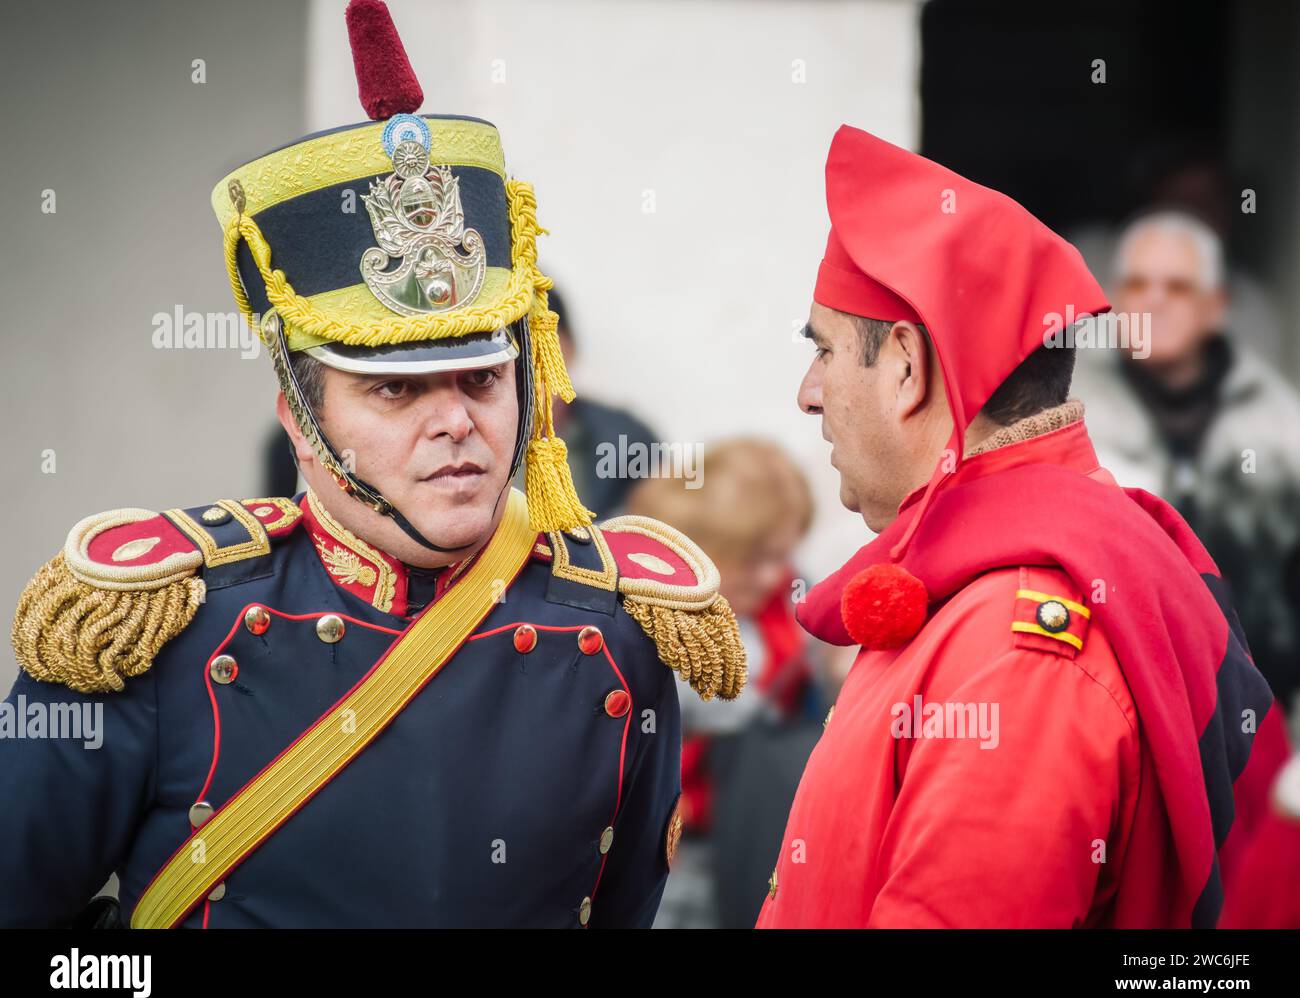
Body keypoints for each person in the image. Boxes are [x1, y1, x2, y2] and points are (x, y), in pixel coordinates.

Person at [0, 0, 744, 929]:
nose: (456, 424)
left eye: (482, 379)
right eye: (394, 392)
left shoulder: (622, 629)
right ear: (301, 421)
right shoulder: (146, 629)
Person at [755, 125, 1287, 929]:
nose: (808, 391)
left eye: (825, 352)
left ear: (905, 366)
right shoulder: (996, 587)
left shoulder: (1018, 656)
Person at [1071, 210, 1300, 713]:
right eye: (1136, 284)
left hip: (1257, 713)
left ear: (1216, 307)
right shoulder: (1065, 406)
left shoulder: (1280, 423)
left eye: (1176, 287)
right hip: (1108, 701)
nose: (1152, 300)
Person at [628, 438, 823, 928]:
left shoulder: (788, 611)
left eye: (782, 557)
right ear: (699, 549)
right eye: (754, 559)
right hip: (674, 856)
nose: (772, 576)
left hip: (757, 839)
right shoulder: (646, 624)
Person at [544, 286, 660, 518]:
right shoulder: (473, 439)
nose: (531, 367)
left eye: (544, 348)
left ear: (570, 349)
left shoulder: (628, 440)